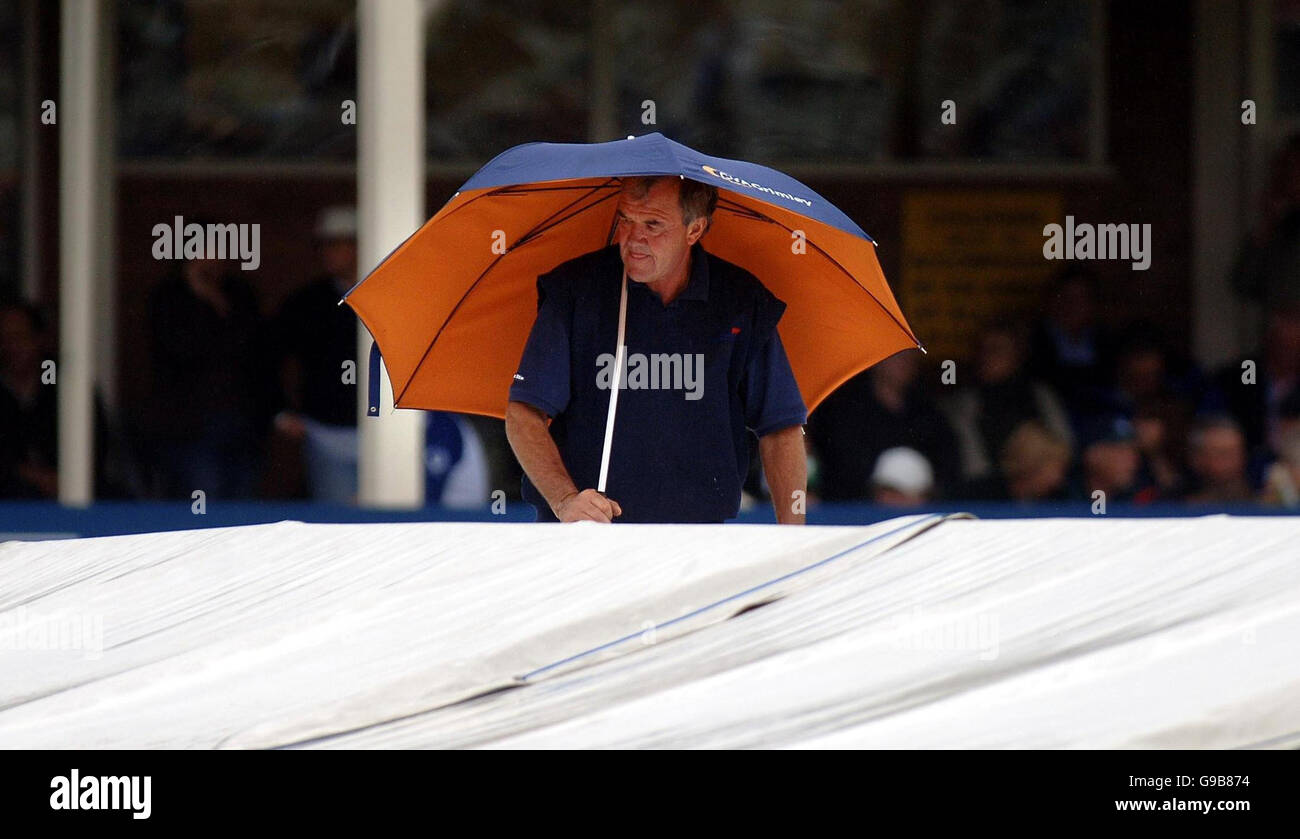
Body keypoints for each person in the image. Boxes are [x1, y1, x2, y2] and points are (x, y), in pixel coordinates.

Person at [505, 175, 808, 523]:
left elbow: (781, 428)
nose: (633, 239)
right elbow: (523, 414)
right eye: (625, 220)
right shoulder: (576, 290)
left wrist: (794, 538)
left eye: (653, 224)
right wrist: (565, 500)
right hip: (587, 534)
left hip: (698, 540)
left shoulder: (740, 300)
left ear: (694, 230)